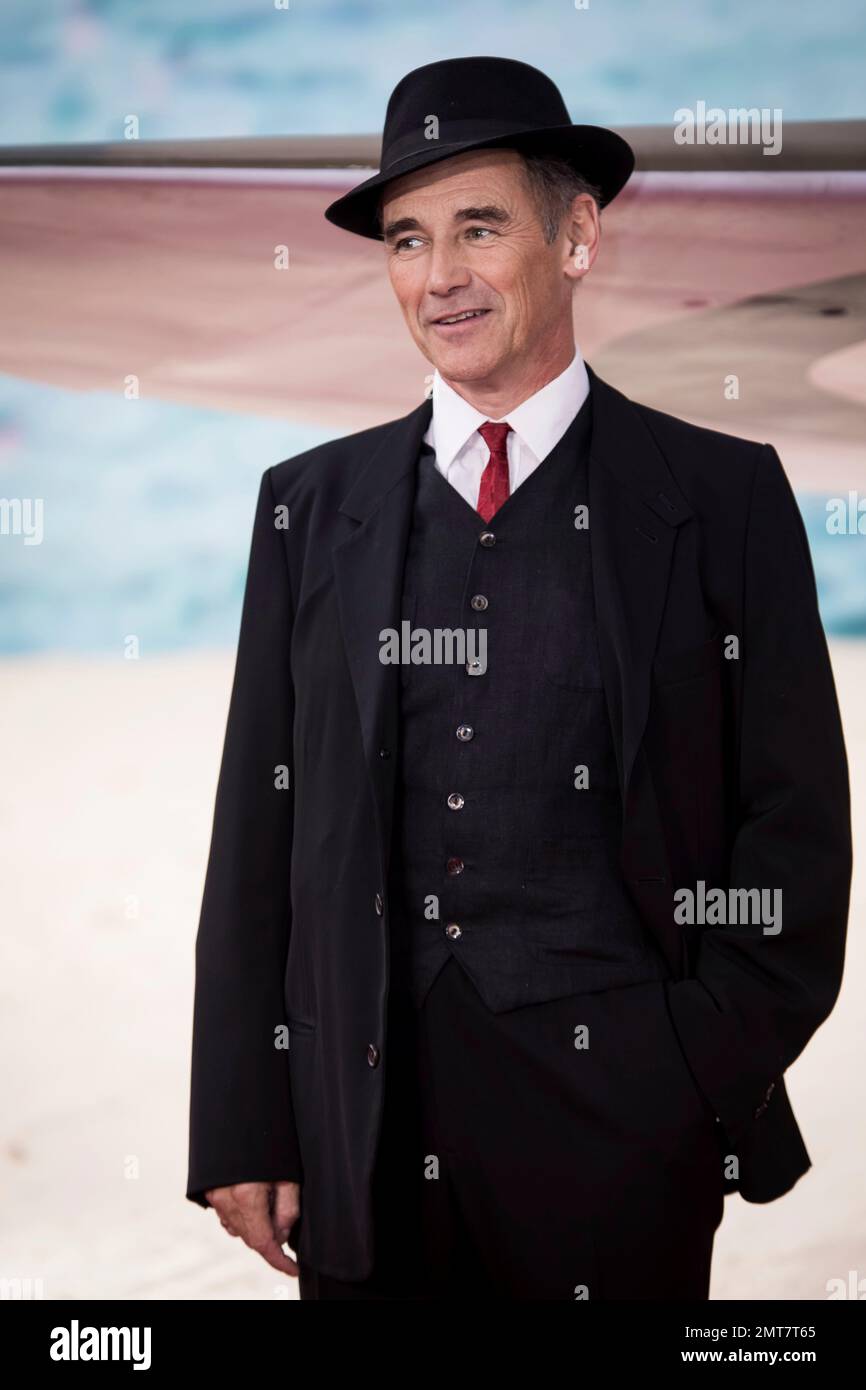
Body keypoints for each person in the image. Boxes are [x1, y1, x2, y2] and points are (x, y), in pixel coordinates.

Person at [185, 56, 852, 1300]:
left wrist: (694, 1067)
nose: (439, 277)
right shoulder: (306, 506)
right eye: (405, 240)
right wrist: (244, 1121)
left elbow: (796, 830)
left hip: (623, 1126)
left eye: (477, 228)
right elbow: (257, 835)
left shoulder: (719, 499)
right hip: (362, 1123)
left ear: (577, 235)